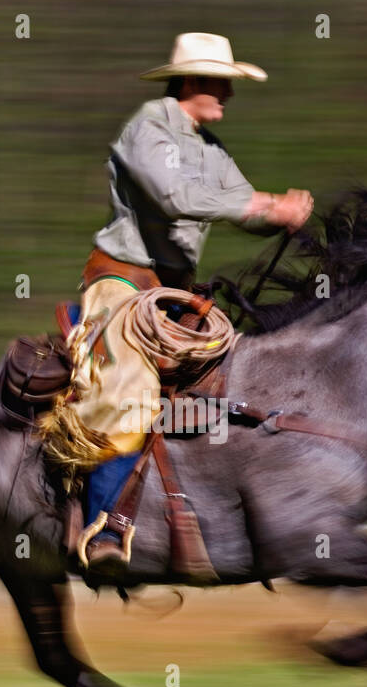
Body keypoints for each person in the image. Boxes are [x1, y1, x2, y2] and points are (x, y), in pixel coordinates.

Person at [71, 32, 314, 574]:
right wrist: (260, 203)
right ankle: (102, 526)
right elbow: (172, 196)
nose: (228, 93)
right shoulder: (148, 127)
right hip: (124, 284)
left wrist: (279, 214)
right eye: (220, 83)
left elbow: (241, 208)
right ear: (192, 82)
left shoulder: (211, 150)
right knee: (129, 387)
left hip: (175, 294)